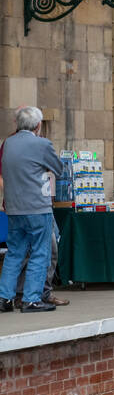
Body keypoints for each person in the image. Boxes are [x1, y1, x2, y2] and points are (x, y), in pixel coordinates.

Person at [0, 106, 63, 312]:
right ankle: (31, 299)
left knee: (15, 253)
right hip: (37, 207)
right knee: (39, 252)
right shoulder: (42, 143)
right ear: (38, 125)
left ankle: (5, 298)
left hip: (13, 207)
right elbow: (59, 169)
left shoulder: (8, 143)